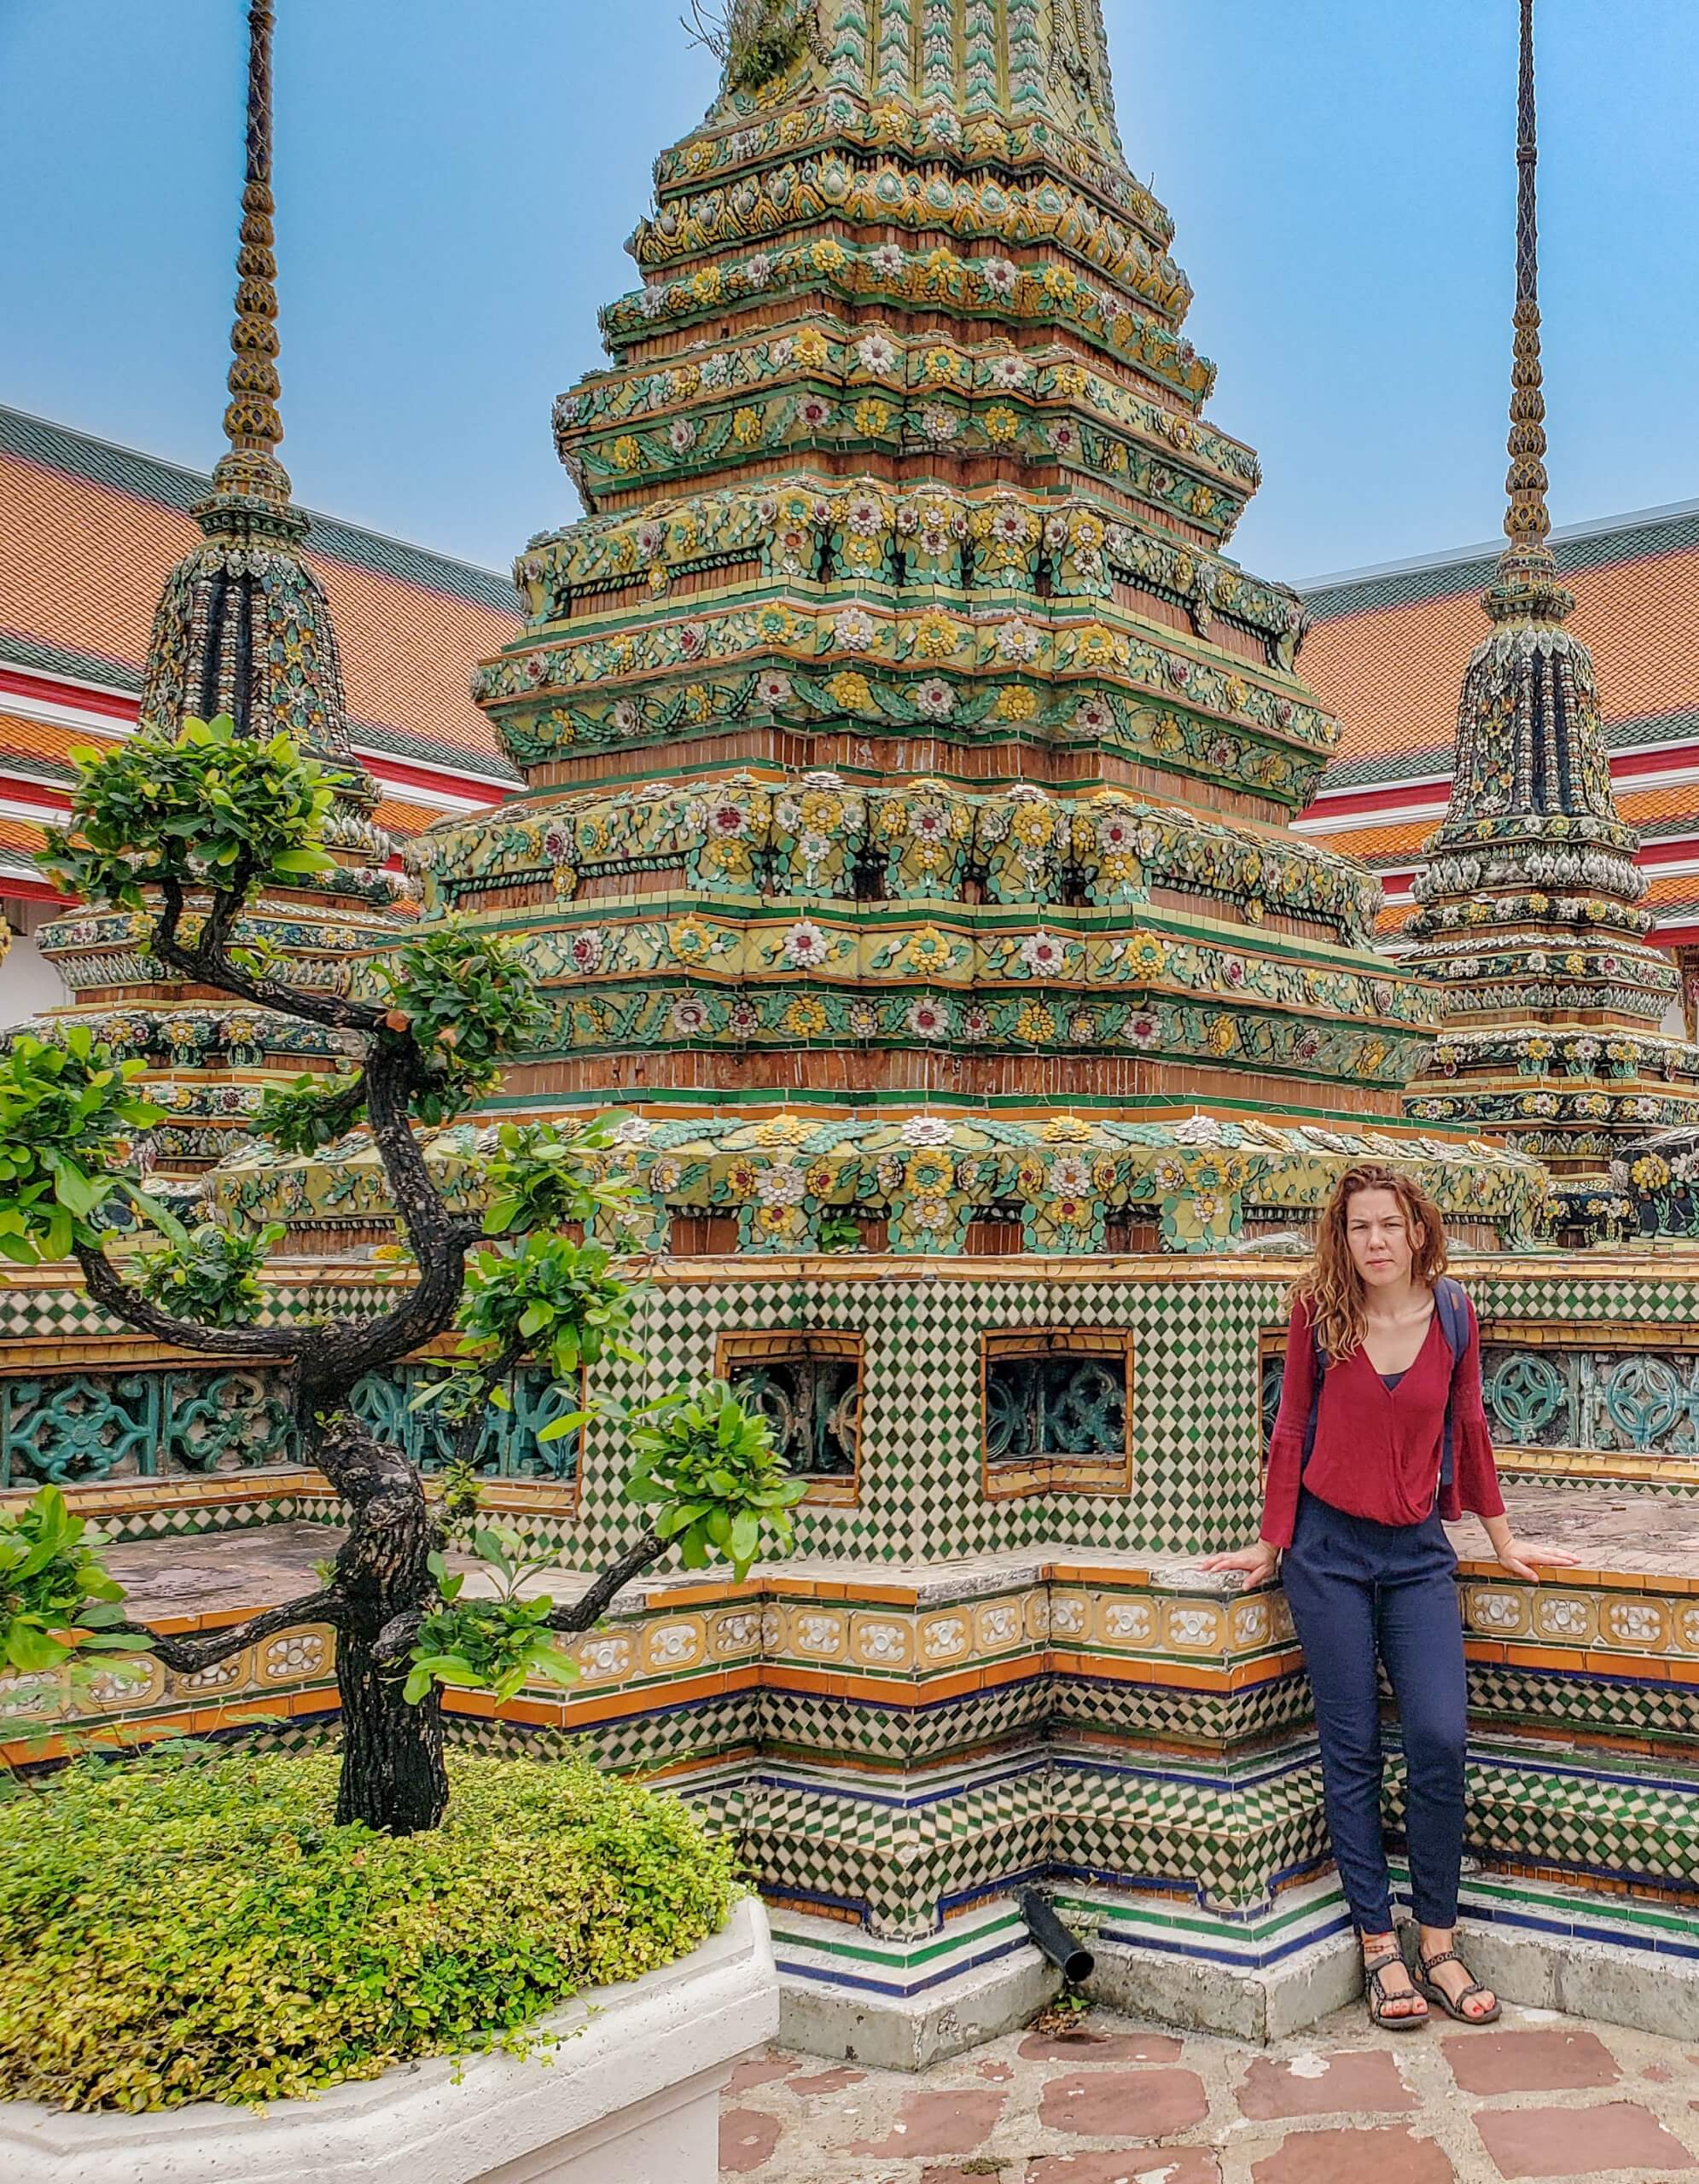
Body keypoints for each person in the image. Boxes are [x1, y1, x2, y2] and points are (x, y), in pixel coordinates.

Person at [1202, 1165, 1577, 2030]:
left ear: (1416, 1231)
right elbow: (1289, 1425)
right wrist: (1269, 1543)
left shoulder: (1450, 1311)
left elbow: (1471, 1426)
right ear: (1341, 1235)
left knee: (1438, 1736)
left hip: (1414, 1555)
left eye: (1387, 1225)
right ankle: (1378, 1944)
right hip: (1325, 1554)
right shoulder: (1317, 1311)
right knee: (1353, 1749)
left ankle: (1436, 1941)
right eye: (1357, 1227)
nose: (1373, 1241)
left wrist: (1502, 1539)